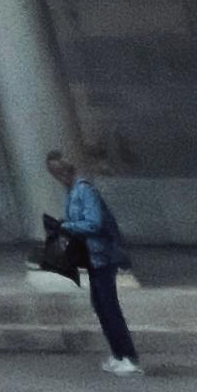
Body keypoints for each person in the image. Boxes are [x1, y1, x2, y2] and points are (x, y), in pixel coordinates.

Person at [46, 150, 140, 376]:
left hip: (102, 256)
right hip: (92, 256)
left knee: (109, 307)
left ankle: (128, 357)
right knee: (101, 306)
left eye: (58, 173)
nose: (57, 177)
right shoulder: (72, 191)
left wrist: (66, 226)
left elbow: (94, 223)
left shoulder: (84, 190)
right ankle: (119, 354)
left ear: (64, 171)